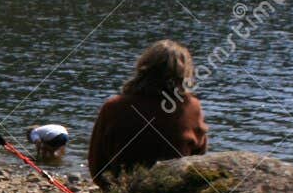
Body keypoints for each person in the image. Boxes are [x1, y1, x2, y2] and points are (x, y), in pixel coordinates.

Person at [87, 40, 208, 184]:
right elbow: (198, 159)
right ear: (184, 74)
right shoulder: (192, 108)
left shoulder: (114, 107)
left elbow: (97, 165)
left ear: (143, 68)